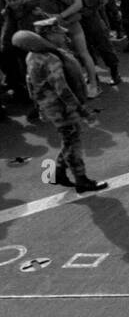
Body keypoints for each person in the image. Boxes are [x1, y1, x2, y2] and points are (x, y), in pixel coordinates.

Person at [16, 22, 107, 192]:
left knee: (69, 140)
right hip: (61, 108)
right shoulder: (50, 58)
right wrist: (81, 110)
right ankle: (81, 180)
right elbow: (62, 89)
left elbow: (30, 84)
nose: (63, 36)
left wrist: (39, 107)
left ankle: (59, 172)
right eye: (59, 33)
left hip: (50, 107)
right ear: (49, 35)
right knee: (74, 143)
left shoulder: (32, 55)